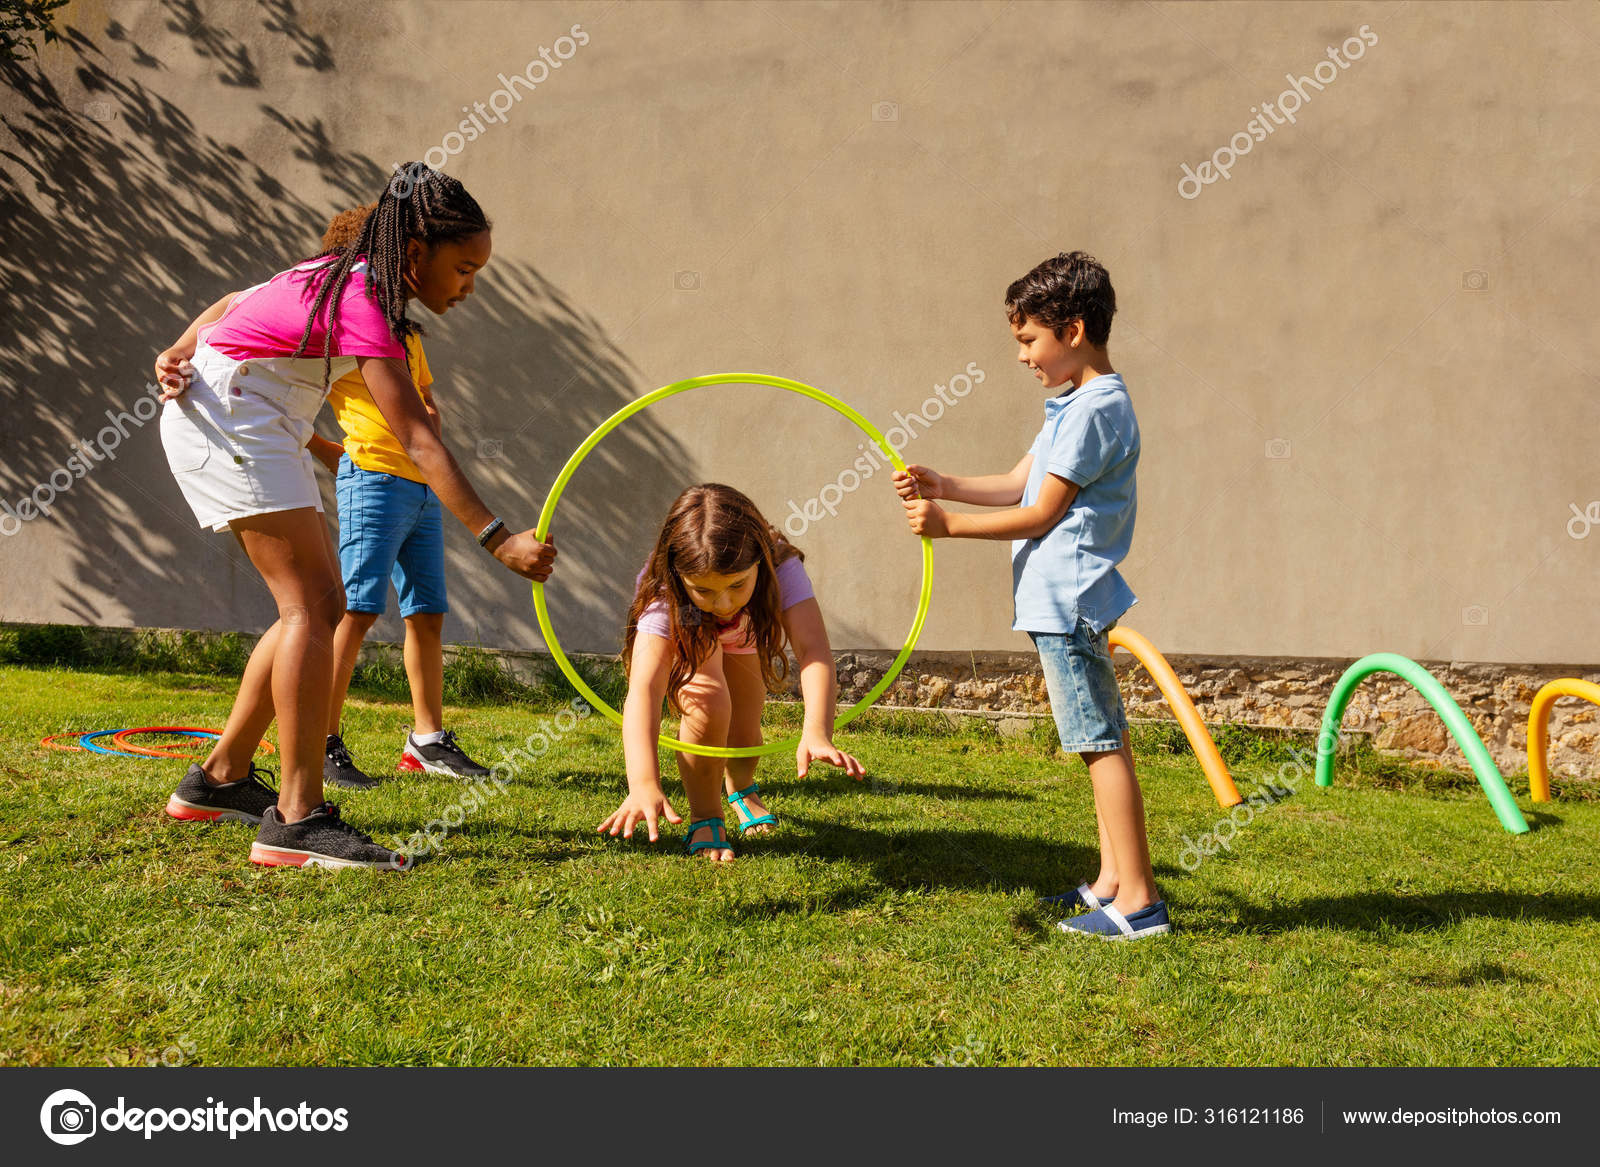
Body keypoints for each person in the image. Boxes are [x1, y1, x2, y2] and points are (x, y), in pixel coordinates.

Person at [153, 164, 556, 870]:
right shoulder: (364, 300)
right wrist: (499, 540)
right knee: (314, 606)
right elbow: (419, 439)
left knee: (309, 607)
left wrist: (185, 345)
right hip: (237, 417)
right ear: (416, 253)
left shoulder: (338, 274)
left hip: (248, 414)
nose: (468, 287)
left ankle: (218, 778)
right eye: (463, 268)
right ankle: (297, 818)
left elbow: (232, 301)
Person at [893, 251, 1169, 939]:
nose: (1021, 356)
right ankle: (1110, 882)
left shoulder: (1095, 409)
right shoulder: (1073, 404)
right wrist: (946, 483)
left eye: (1027, 339)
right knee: (1099, 740)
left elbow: (1042, 511)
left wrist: (948, 525)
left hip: (1068, 599)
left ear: (1072, 330)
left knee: (1099, 743)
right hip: (1063, 602)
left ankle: (1138, 904)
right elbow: (1022, 480)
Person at [298, 204, 493, 787]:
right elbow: (301, 403)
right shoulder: (341, 324)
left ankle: (427, 740)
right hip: (375, 485)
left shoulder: (403, 334)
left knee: (427, 613)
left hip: (421, 488)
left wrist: (430, 418)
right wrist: (330, 453)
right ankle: (322, 740)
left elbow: (425, 404)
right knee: (355, 611)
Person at [598, 484, 864, 861]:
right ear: (678, 576)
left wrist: (817, 730)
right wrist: (643, 782)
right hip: (690, 625)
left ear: (758, 560)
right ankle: (706, 813)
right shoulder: (665, 591)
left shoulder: (780, 567)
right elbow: (646, 687)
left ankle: (740, 787)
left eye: (737, 585)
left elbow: (813, 650)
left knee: (745, 725)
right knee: (708, 700)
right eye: (704, 589)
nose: (722, 603)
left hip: (746, 635)